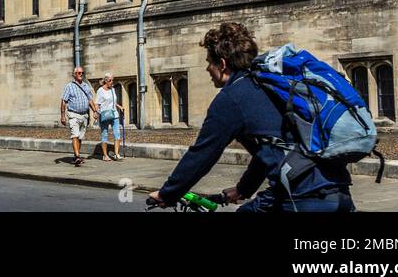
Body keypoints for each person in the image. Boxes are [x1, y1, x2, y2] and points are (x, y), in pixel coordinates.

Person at [147, 22, 355, 213]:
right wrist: (243, 189)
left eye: (209, 62)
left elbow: (203, 153)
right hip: (338, 190)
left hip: (301, 196)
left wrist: (168, 193)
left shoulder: (232, 98)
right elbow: (272, 148)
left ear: (222, 63)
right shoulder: (270, 85)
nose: (207, 69)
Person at [60, 65, 98, 166]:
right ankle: (77, 156)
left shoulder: (86, 86)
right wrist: (63, 116)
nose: (81, 74)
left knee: (80, 137)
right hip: (73, 114)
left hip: (84, 115)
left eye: (82, 73)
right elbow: (64, 101)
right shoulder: (69, 86)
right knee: (75, 135)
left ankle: (75, 156)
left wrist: (94, 111)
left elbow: (90, 100)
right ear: (74, 74)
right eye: (79, 73)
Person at [96, 75, 122, 161]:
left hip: (114, 114)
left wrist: (119, 106)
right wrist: (96, 112)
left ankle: (116, 154)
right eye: (110, 80)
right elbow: (97, 103)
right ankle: (105, 155)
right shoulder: (100, 90)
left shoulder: (113, 89)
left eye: (112, 80)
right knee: (104, 134)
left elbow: (113, 102)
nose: (112, 82)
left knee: (117, 133)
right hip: (104, 114)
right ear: (106, 81)